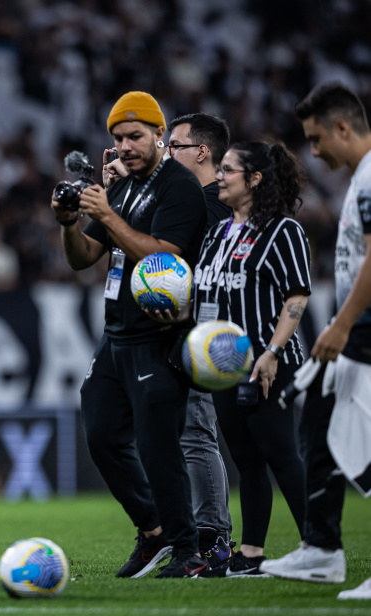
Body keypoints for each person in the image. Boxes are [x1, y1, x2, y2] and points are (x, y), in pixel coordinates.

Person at [52, 91, 208, 578]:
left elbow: (167, 258)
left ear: (160, 134)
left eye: (135, 136)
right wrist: (68, 222)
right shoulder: (123, 186)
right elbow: (82, 257)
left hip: (157, 337)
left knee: (158, 446)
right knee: (100, 435)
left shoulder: (178, 187)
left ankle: (188, 551)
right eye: (118, 137)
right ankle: (153, 532)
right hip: (115, 336)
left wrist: (106, 215)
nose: (125, 146)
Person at [260, 82, 371, 600]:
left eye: (318, 138)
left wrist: (343, 323)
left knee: (355, 439)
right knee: (320, 421)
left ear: (343, 128)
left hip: (364, 327)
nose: (315, 150)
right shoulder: (360, 179)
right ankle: (322, 550)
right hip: (358, 325)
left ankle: (322, 548)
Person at [191, 140, 311, 577]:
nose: (218, 177)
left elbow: (297, 295)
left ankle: (320, 545)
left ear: (255, 179)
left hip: (267, 361)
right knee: (247, 459)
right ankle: (252, 554)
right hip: (223, 366)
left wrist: (273, 352)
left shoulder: (284, 230)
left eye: (227, 170)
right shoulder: (217, 232)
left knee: (281, 452)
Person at [164, 113, 236, 574]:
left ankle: (212, 535)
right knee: (186, 432)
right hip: (185, 330)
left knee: (195, 431)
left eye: (175, 146)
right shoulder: (197, 198)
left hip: (208, 332)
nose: (167, 153)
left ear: (202, 151)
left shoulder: (212, 200)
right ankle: (194, 531)